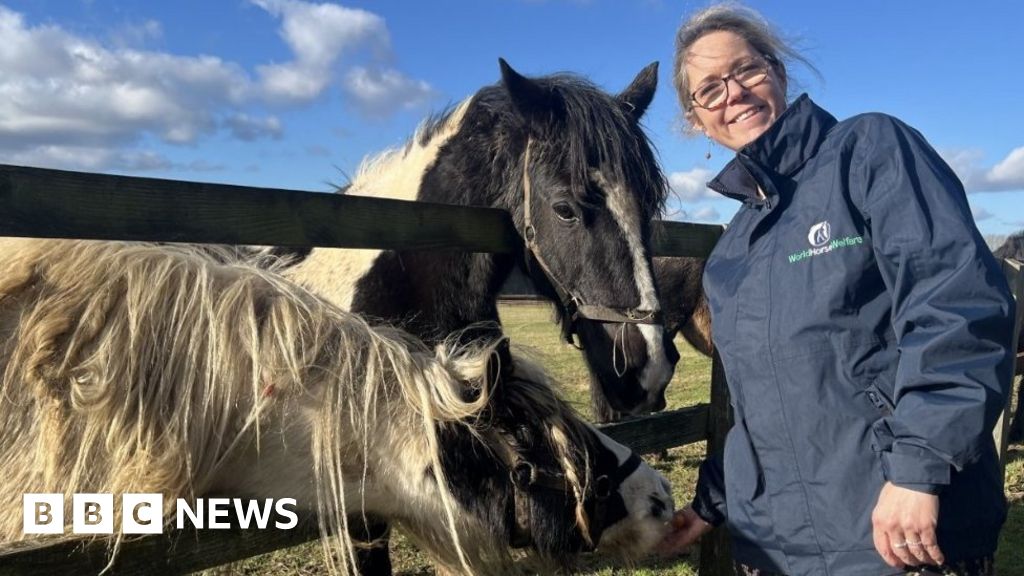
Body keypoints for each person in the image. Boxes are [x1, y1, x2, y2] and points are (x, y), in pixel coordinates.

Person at [657, 4, 1017, 575]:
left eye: (747, 70)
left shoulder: (869, 150)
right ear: (696, 120)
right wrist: (710, 505)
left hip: (896, 533)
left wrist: (918, 471)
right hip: (772, 550)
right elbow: (757, 407)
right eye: (709, 90)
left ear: (777, 72)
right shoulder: (731, 253)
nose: (734, 93)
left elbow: (956, 307)